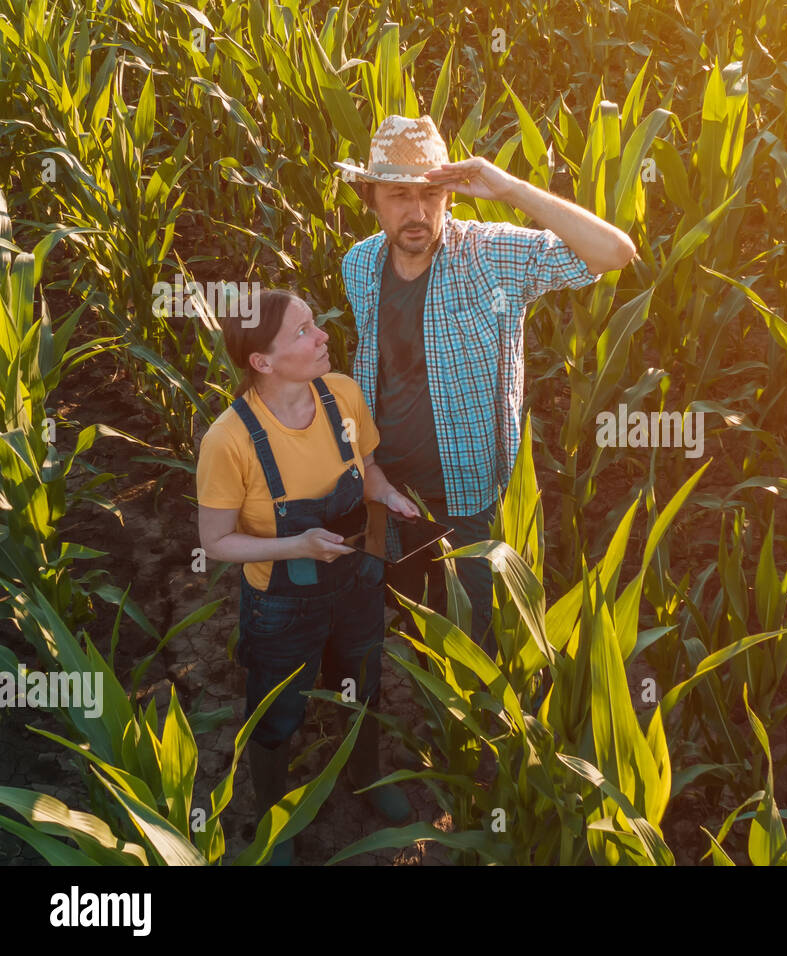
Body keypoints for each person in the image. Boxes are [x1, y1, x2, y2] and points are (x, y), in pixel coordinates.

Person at [335, 114, 637, 656]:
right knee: (416, 617)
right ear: (370, 198)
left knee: (478, 639)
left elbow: (613, 254)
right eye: (399, 195)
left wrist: (511, 189)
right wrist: (369, 468)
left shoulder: (488, 256)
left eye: (432, 193)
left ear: (451, 193)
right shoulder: (359, 265)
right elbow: (371, 372)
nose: (418, 212)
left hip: (471, 495)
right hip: (387, 488)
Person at [196, 288, 421, 865]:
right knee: (277, 708)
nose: (323, 336)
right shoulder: (229, 440)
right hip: (281, 603)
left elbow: (365, 468)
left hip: (355, 581)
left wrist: (389, 494)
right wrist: (297, 543)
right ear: (261, 362)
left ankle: (366, 775)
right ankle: (278, 816)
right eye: (302, 332)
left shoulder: (341, 394)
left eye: (315, 324)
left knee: (362, 679)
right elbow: (216, 542)